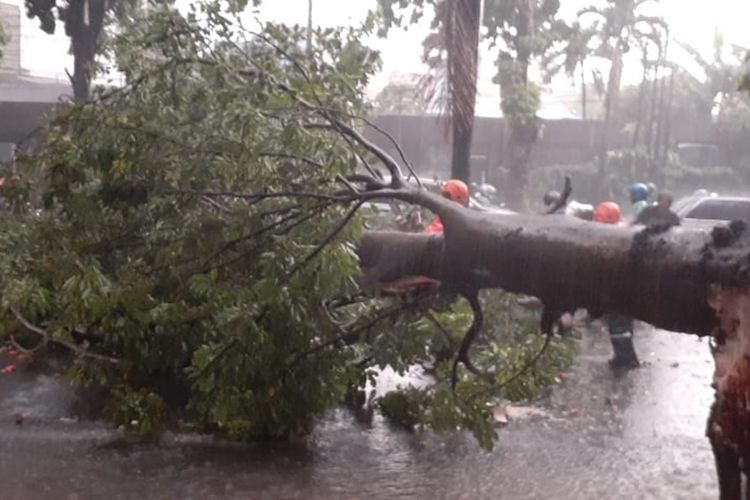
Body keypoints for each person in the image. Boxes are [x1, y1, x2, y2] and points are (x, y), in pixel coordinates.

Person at [593, 201, 641, 369]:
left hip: (620, 288)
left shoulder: (616, 237)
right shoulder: (622, 231)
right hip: (624, 287)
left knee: (619, 326)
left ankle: (627, 360)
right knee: (621, 325)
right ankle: (622, 356)